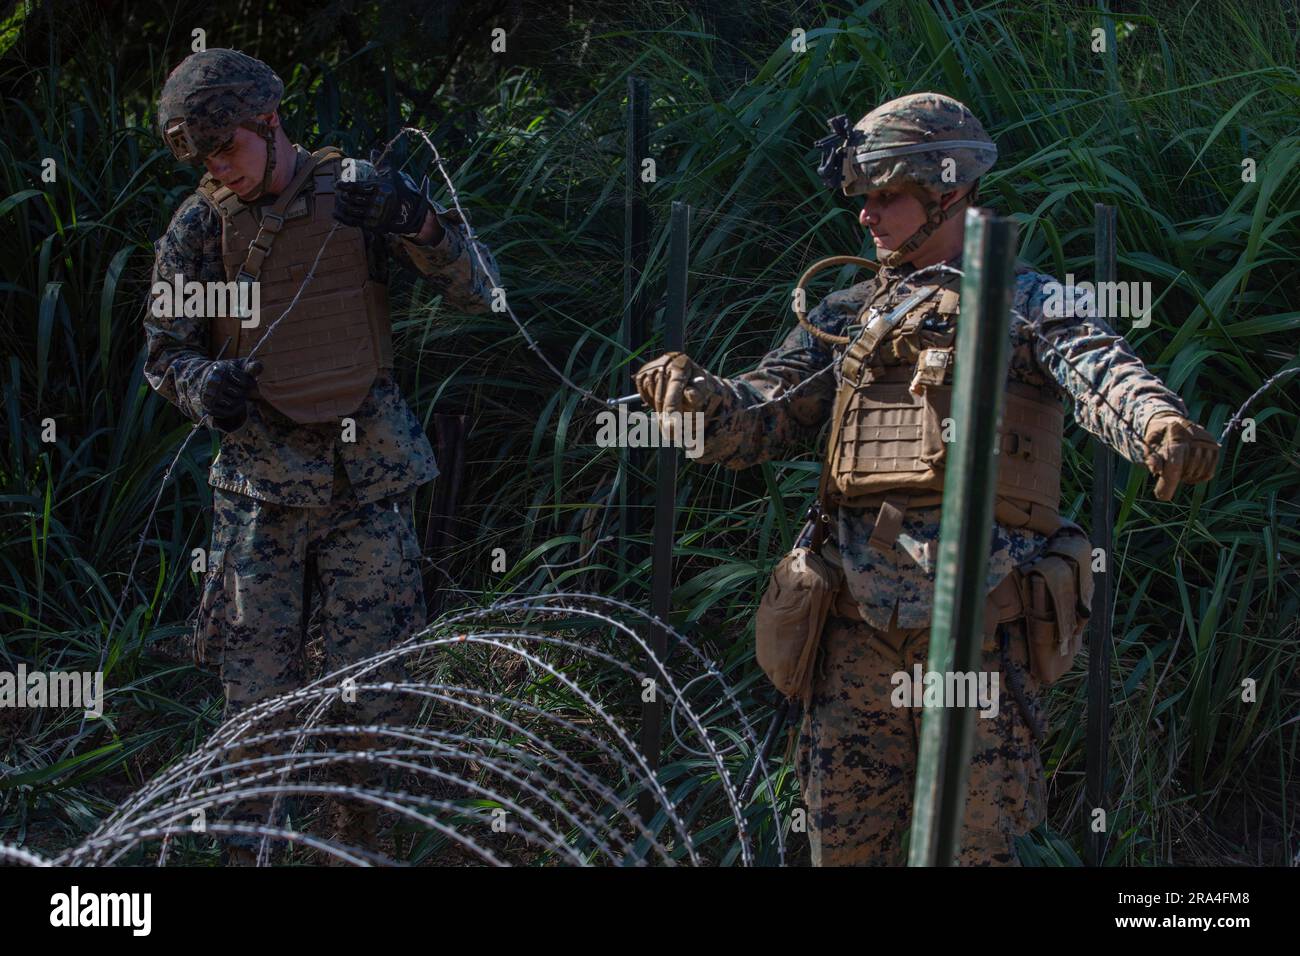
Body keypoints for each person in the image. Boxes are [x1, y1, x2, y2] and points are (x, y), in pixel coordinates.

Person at [634, 92, 1219, 865]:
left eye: (886, 197)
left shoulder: (1028, 302)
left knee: (976, 851)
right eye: (862, 197)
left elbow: (1100, 371)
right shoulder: (848, 315)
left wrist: (1158, 425)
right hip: (852, 636)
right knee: (844, 851)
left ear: (948, 190)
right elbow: (760, 417)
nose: (866, 216)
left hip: (978, 640)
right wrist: (699, 401)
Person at [145, 48, 500, 863]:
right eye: (204, 158)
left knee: (376, 699)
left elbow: (483, 290)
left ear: (269, 122)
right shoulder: (200, 227)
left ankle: (360, 848)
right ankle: (249, 854)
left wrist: (416, 221)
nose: (218, 168)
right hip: (260, 493)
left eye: (226, 147)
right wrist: (205, 387)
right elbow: (164, 352)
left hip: (368, 482)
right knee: (254, 708)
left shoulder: (362, 196)